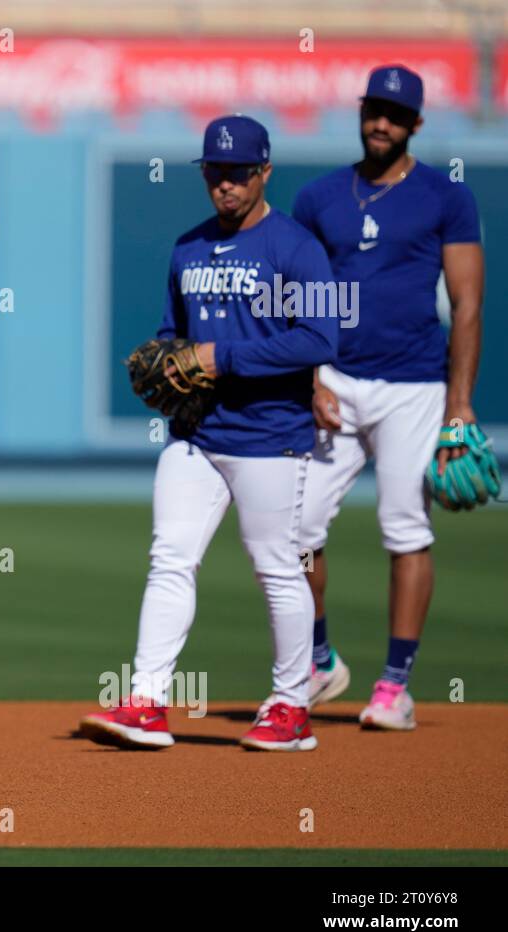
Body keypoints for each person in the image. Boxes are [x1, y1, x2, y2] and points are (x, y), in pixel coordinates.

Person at [81, 115, 338, 751]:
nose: (226, 184)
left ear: (264, 173)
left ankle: (290, 706)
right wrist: (171, 359)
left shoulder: (296, 247)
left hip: (270, 433)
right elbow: (171, 332)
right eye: (216, 172)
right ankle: (146, 702)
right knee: (170, 558)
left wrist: (222, 357)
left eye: (239, 172)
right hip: (195, 434)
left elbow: (319, 338)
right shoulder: (188, 247)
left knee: (278, 566)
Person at [292, 65, 483, 731]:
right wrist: (310, 379)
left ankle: (394, 685)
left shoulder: (445, 196)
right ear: (361, 111)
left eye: (396, 116)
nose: (382, 123)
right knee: (294, 528)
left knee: (405, 529)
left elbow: (467, 305)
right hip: (337, 380)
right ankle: (319, 661)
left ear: (416, 125)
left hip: (413, 385)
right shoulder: (320, 197)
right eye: (374, 110)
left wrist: (460, 403)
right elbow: (302, 298)